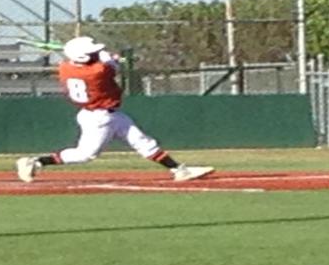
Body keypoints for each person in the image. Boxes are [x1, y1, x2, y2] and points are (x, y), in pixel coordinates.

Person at [15, 36, 213, 184]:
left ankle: (178, 170)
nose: (95, 54)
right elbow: (108, 67)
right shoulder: (98, 71)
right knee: (85, 155)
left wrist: (106, 57)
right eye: (92, 53)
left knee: (143, 142)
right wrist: (111, 58)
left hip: (107, 114)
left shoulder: (65, 67)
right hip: (98, 118)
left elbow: (100, 61)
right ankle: (36, 162)